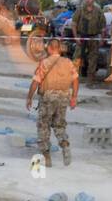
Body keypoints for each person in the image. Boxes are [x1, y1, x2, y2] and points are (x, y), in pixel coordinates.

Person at [26, 38, 78, 167]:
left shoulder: (45, 63)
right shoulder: (68, 63)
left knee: (44, 126)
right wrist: (74, 97)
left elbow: (36, 82)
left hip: (48, 97)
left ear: (49, 48)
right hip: (64, 96)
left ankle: (46, 157)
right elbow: (76, 80)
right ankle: (65, 145)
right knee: (59, 125)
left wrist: (29, 97)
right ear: (59, 49)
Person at [72, 0, 106, 87]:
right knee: (77, 58)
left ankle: (90, 81)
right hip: (81, 36)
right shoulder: (80, 10)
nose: (88, 0)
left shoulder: (98, 11)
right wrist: (76, 38)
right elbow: (74, 24)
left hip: (93, 38)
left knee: (93, 59)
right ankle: (74, 79)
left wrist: (102, 40)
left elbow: (103, 27)